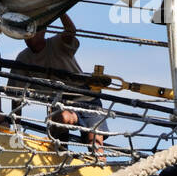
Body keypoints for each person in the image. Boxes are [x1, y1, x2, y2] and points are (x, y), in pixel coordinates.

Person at [11, 12, 106, 158]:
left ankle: (100, 167)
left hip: (86, 98)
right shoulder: (23, 59)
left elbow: (70, 31)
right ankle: (61, 159)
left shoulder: (57, 43)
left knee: (96, 144)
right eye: (25, 32)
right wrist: (16, 130)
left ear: (44, 31)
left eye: (33, 30)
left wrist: (60, 11)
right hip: (59, 104)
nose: (29, 36)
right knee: (62, 125)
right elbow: (16, 96)